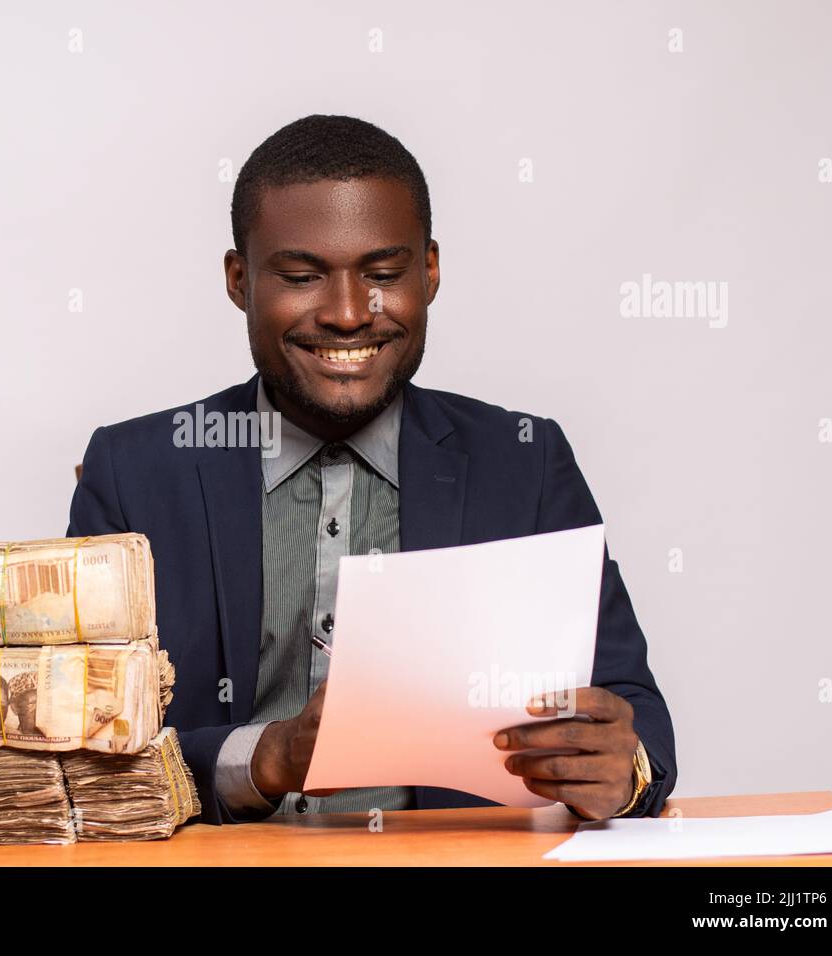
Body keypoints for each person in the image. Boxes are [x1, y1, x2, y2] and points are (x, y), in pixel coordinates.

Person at [68, 114, 676, 824]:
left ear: (431, 272)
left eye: (384, 274)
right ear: (240, 280)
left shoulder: (525, 460)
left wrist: (622, 771)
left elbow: (637, 718)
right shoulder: (135, 474)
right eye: (301, 276)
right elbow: (81, 759)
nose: (351, 314)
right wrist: (265, 757)